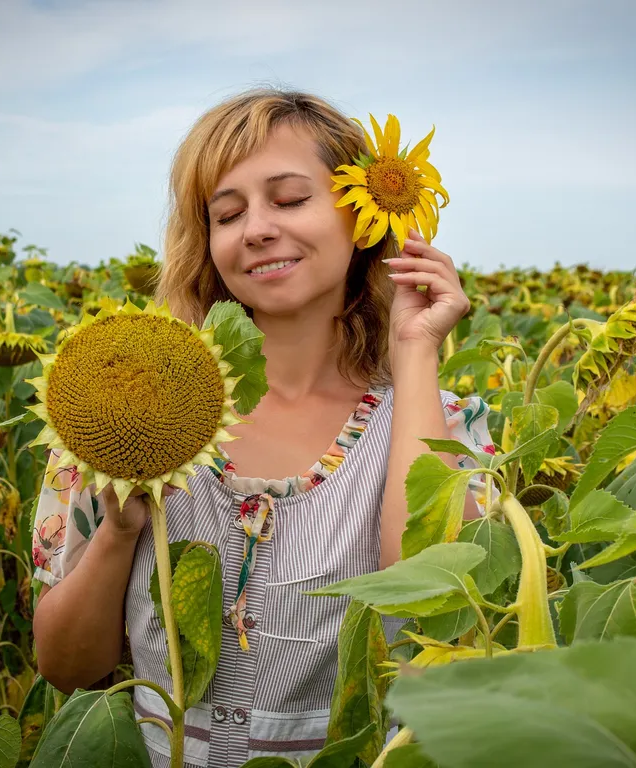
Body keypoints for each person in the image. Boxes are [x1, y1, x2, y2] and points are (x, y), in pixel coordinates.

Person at [30, 88, 495, 768]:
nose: (256, 229)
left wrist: (415, 351)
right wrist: (119, 533)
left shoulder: (438, 423)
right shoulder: (123, 412)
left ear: (363, 217)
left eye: (290, 199)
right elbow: (66, 667)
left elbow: (431, 599)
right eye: (227, 214)